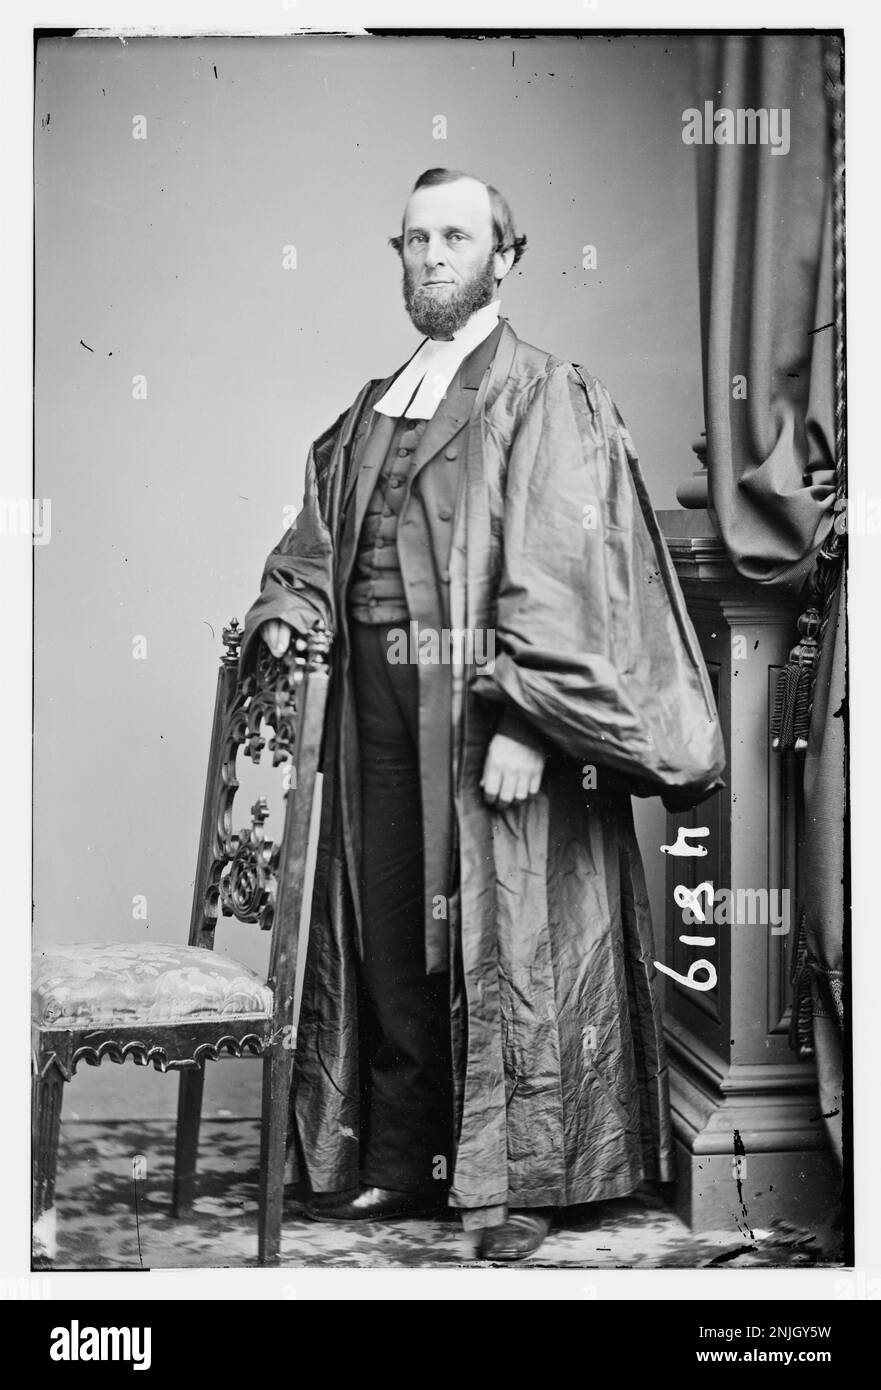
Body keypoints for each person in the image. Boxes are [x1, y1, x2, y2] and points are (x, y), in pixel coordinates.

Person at [241, 167, 725, 1260]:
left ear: (505, 257)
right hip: (371, 713)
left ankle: (514, 1185)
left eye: (456, 238)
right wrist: (287, 605)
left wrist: (527, 723)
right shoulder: (374, 405)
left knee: (506, 941)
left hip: (489, 719)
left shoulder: (543, 392)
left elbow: (565, 564)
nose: (431, 257)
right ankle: (403, 1158)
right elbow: (317, 540)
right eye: (414, 240)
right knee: (391, 930)